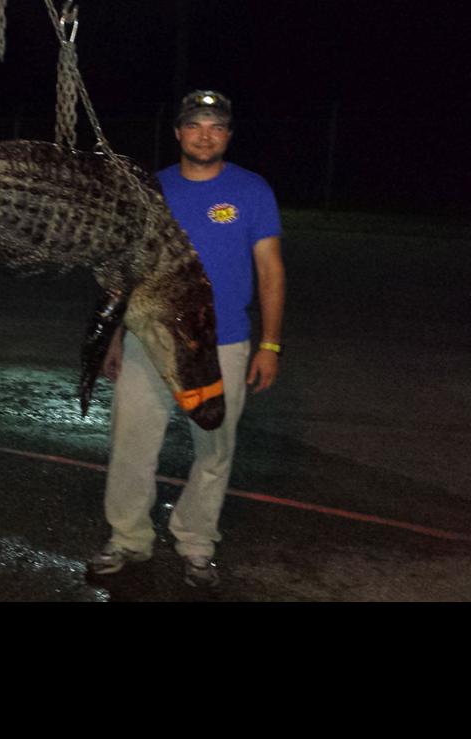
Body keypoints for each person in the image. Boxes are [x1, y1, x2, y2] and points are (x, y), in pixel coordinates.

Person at [89, 89, 287, 588]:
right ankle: (128, 539)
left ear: (228, 134)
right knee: (131, 443)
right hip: (148, 337)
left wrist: (269, 344)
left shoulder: (252, 190)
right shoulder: (149, 190)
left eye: (216, 126)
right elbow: (125, 269)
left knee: (214, 448)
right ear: (178, 132)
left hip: (225, 342)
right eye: (195, 125)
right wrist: (114, 335)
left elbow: (270, 271)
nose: (205, 135)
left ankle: (197, 542)